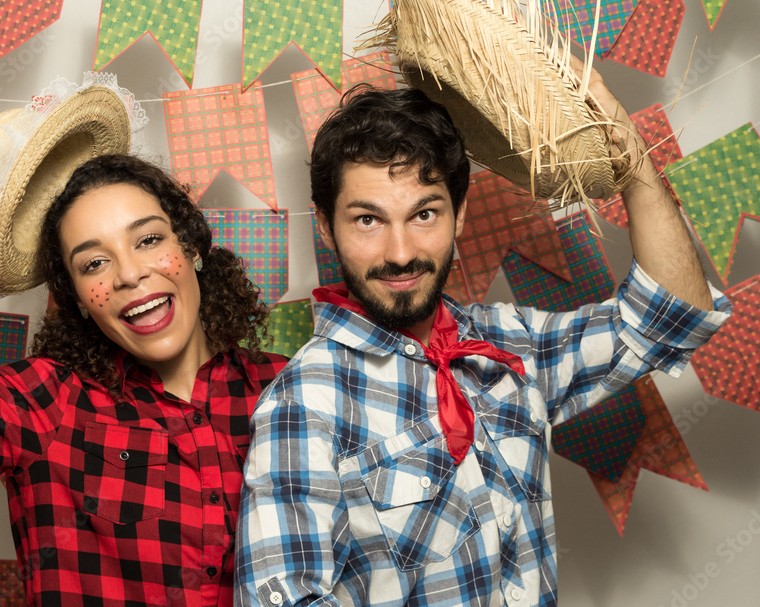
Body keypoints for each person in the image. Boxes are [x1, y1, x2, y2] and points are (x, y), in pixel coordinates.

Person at [233, 70, 732, 606]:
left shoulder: (511, 344)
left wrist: (630, 157)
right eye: (368, 220)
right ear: (328, 228)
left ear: (461, 215)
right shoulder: (305, 400)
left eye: (424, 214)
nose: (400, 251)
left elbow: (670, 314)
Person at [0, 149, 287, 606]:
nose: (129, 274)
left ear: (191, 249)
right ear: (78, 303)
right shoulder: (48, 403)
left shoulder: (291, 388)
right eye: (94, 264)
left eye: (148, 240)